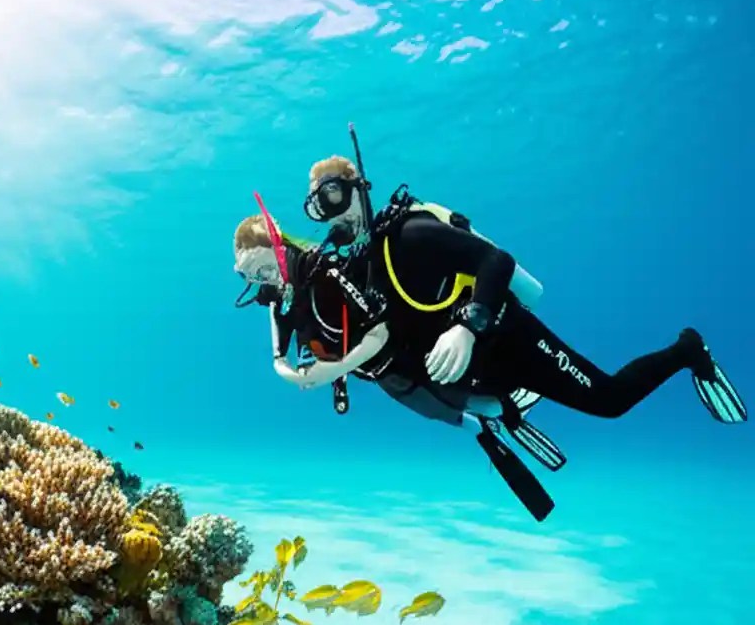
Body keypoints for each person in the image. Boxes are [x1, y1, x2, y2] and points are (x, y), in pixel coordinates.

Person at [232, 140, 746, 521]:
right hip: (471, 370)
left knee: (608, 401)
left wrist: (470, 327)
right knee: (482, 404)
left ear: (358, 190)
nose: (330, 212)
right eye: (319, 206)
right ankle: (508, 412)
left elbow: (496, 260)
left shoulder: (409, 236)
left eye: (335, 196)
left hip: (505, 336)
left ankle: (688, 350)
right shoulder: (361, 267)